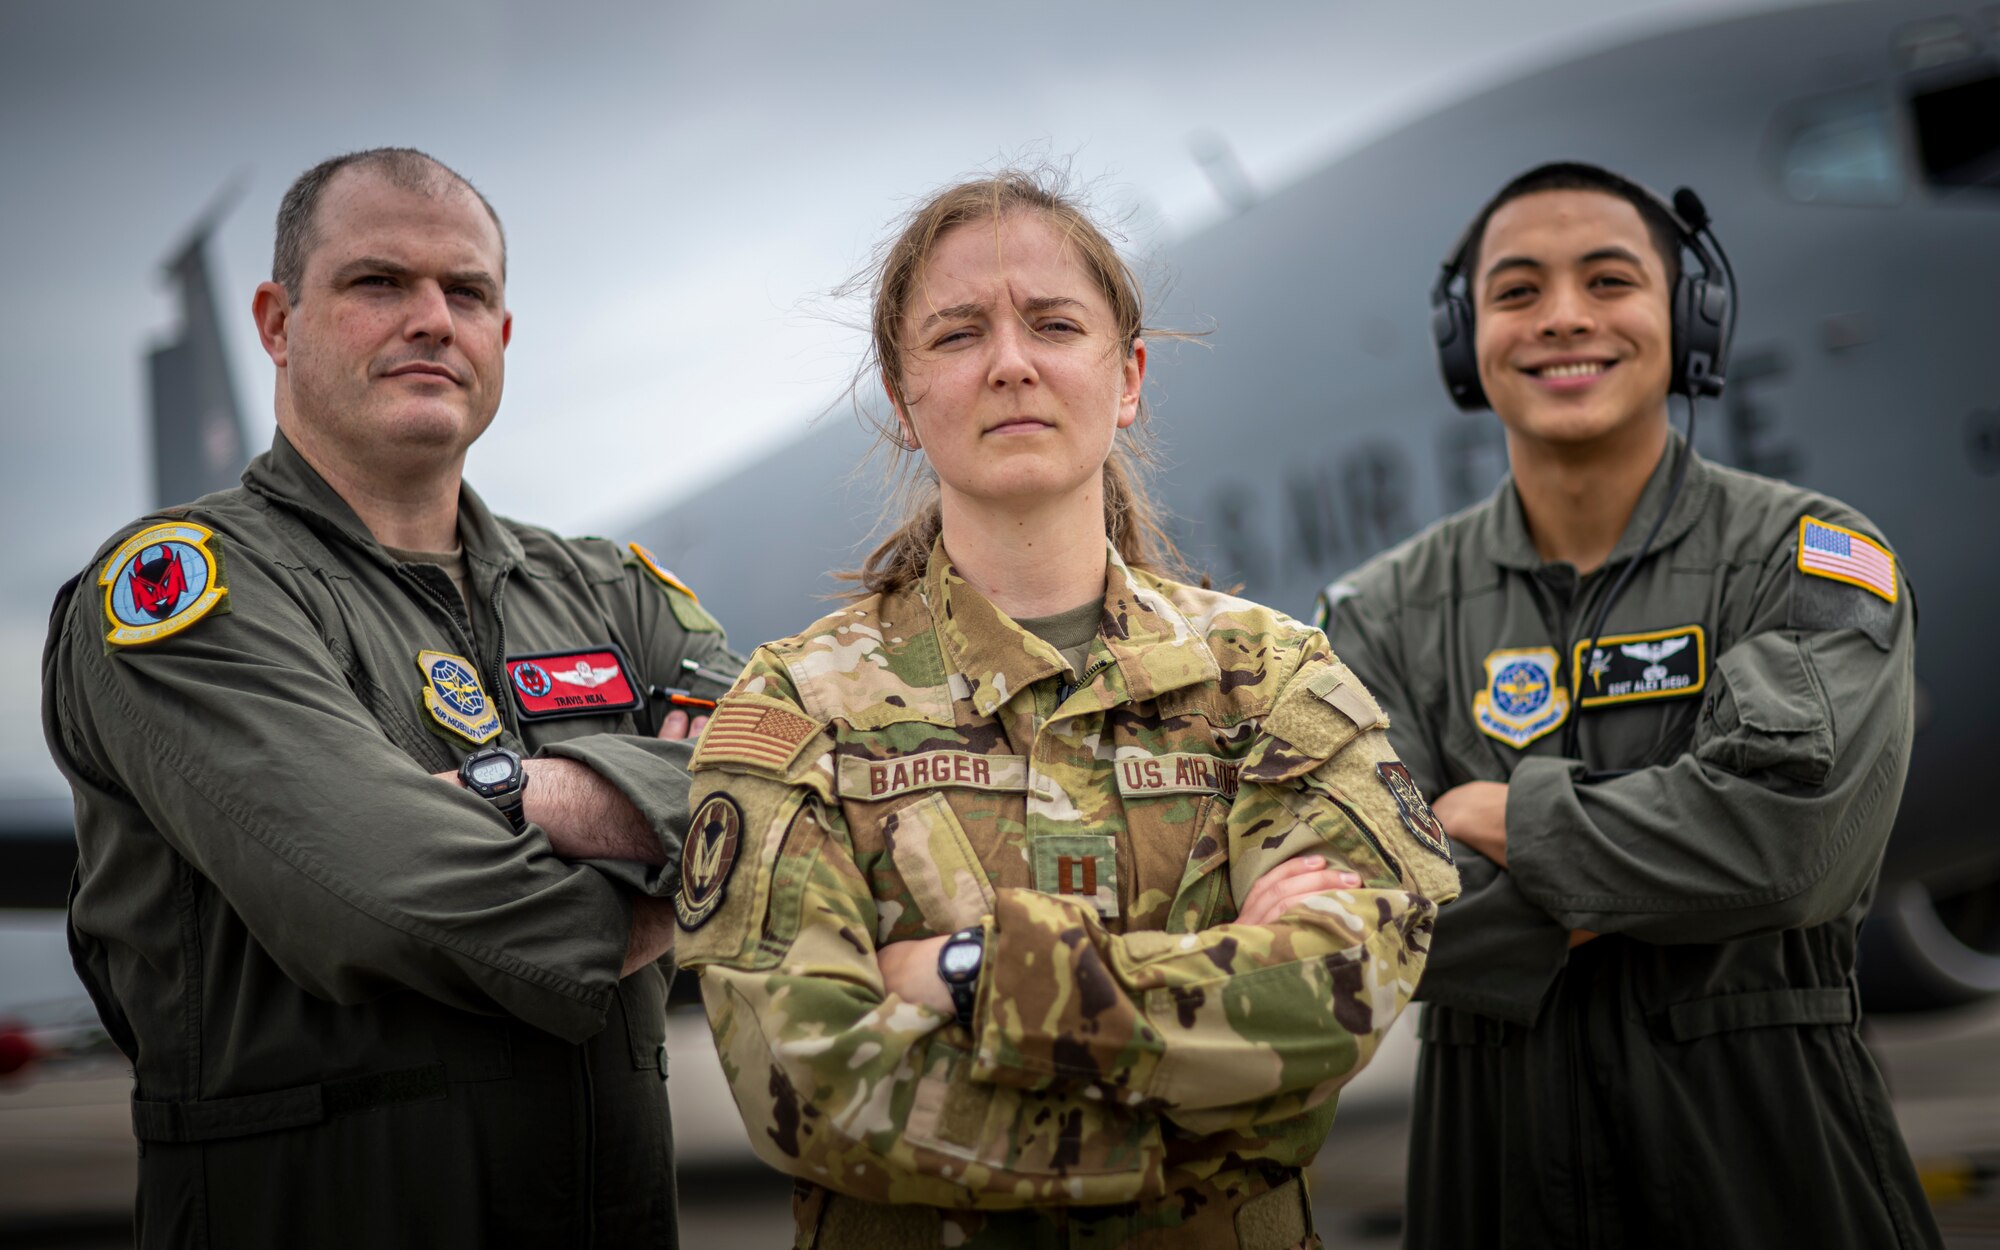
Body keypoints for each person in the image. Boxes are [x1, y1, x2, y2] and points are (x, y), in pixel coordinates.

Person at [669, 170, 1460, 1250]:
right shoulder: (798, 707)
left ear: (1126, 376)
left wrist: (967, 973)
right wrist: (1188, 1144)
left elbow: (1341, 991)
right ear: (902, 404)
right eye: (956, 335)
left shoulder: (1269, 680)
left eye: (1052, 323)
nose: (1009, 362)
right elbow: (807, 1082)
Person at [41, 148, 739, 1248]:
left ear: (501, 337)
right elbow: (386, 900)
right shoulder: (182, 593)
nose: (431, 319)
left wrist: (538, 789)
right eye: (378, 282)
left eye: (466, 293)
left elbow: (794, 772)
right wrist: (708, 888)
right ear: (277, 321)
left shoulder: (610, 589)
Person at [1315, 162, 1941, 1249]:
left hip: (1778, 1185)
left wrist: (1502, 820)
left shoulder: (1806, 563)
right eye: (1515, 291)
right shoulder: (1379, 616)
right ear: (1464, 338)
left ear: (1688, 318)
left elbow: (1787, 845)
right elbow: (1372, 908)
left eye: (1608, 280)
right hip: (1494, 1196)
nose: (1563, 318)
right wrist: (1667, 859)